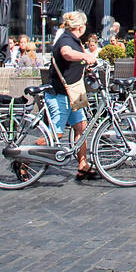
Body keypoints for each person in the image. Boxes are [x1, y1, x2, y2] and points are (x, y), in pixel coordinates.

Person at [45, 10, 99, 180]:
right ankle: (24, 160)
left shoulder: (75, 40)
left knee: (82, 128)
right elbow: (66, 53)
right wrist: (85, 55)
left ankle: (83, 165)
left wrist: (87, 62)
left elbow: (74, 61)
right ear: (81, 26)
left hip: (74, 92)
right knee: (56, 134)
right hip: (60, 93)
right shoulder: (66, 39)